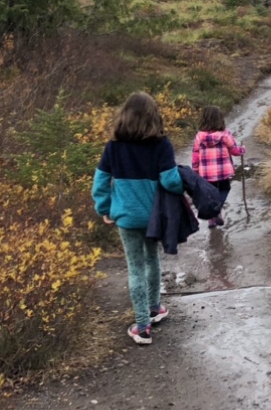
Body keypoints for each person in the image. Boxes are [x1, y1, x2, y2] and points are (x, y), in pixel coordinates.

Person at [92, 91, 182, 345]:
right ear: (153, 117)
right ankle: (154, 308)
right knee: (152, 259)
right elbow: (171, 181)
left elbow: (99, 183)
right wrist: (181, 183)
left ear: (125, 117)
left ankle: (142, 326)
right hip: (153, 217)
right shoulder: (161, 144)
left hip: (127, 219)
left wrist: (105, 208)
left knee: (135, 267)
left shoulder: (114, 148)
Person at [190, 106, 243, 229]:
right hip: (223, 171)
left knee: (209, 194)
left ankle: (211, 220)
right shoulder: (225, 135)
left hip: (206, 173)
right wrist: (242, 150)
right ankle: (217, 210)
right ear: (220, 119)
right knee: (224, 189)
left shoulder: (199, 136)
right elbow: (234, 150)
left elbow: (195, 154)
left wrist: (195, 170)